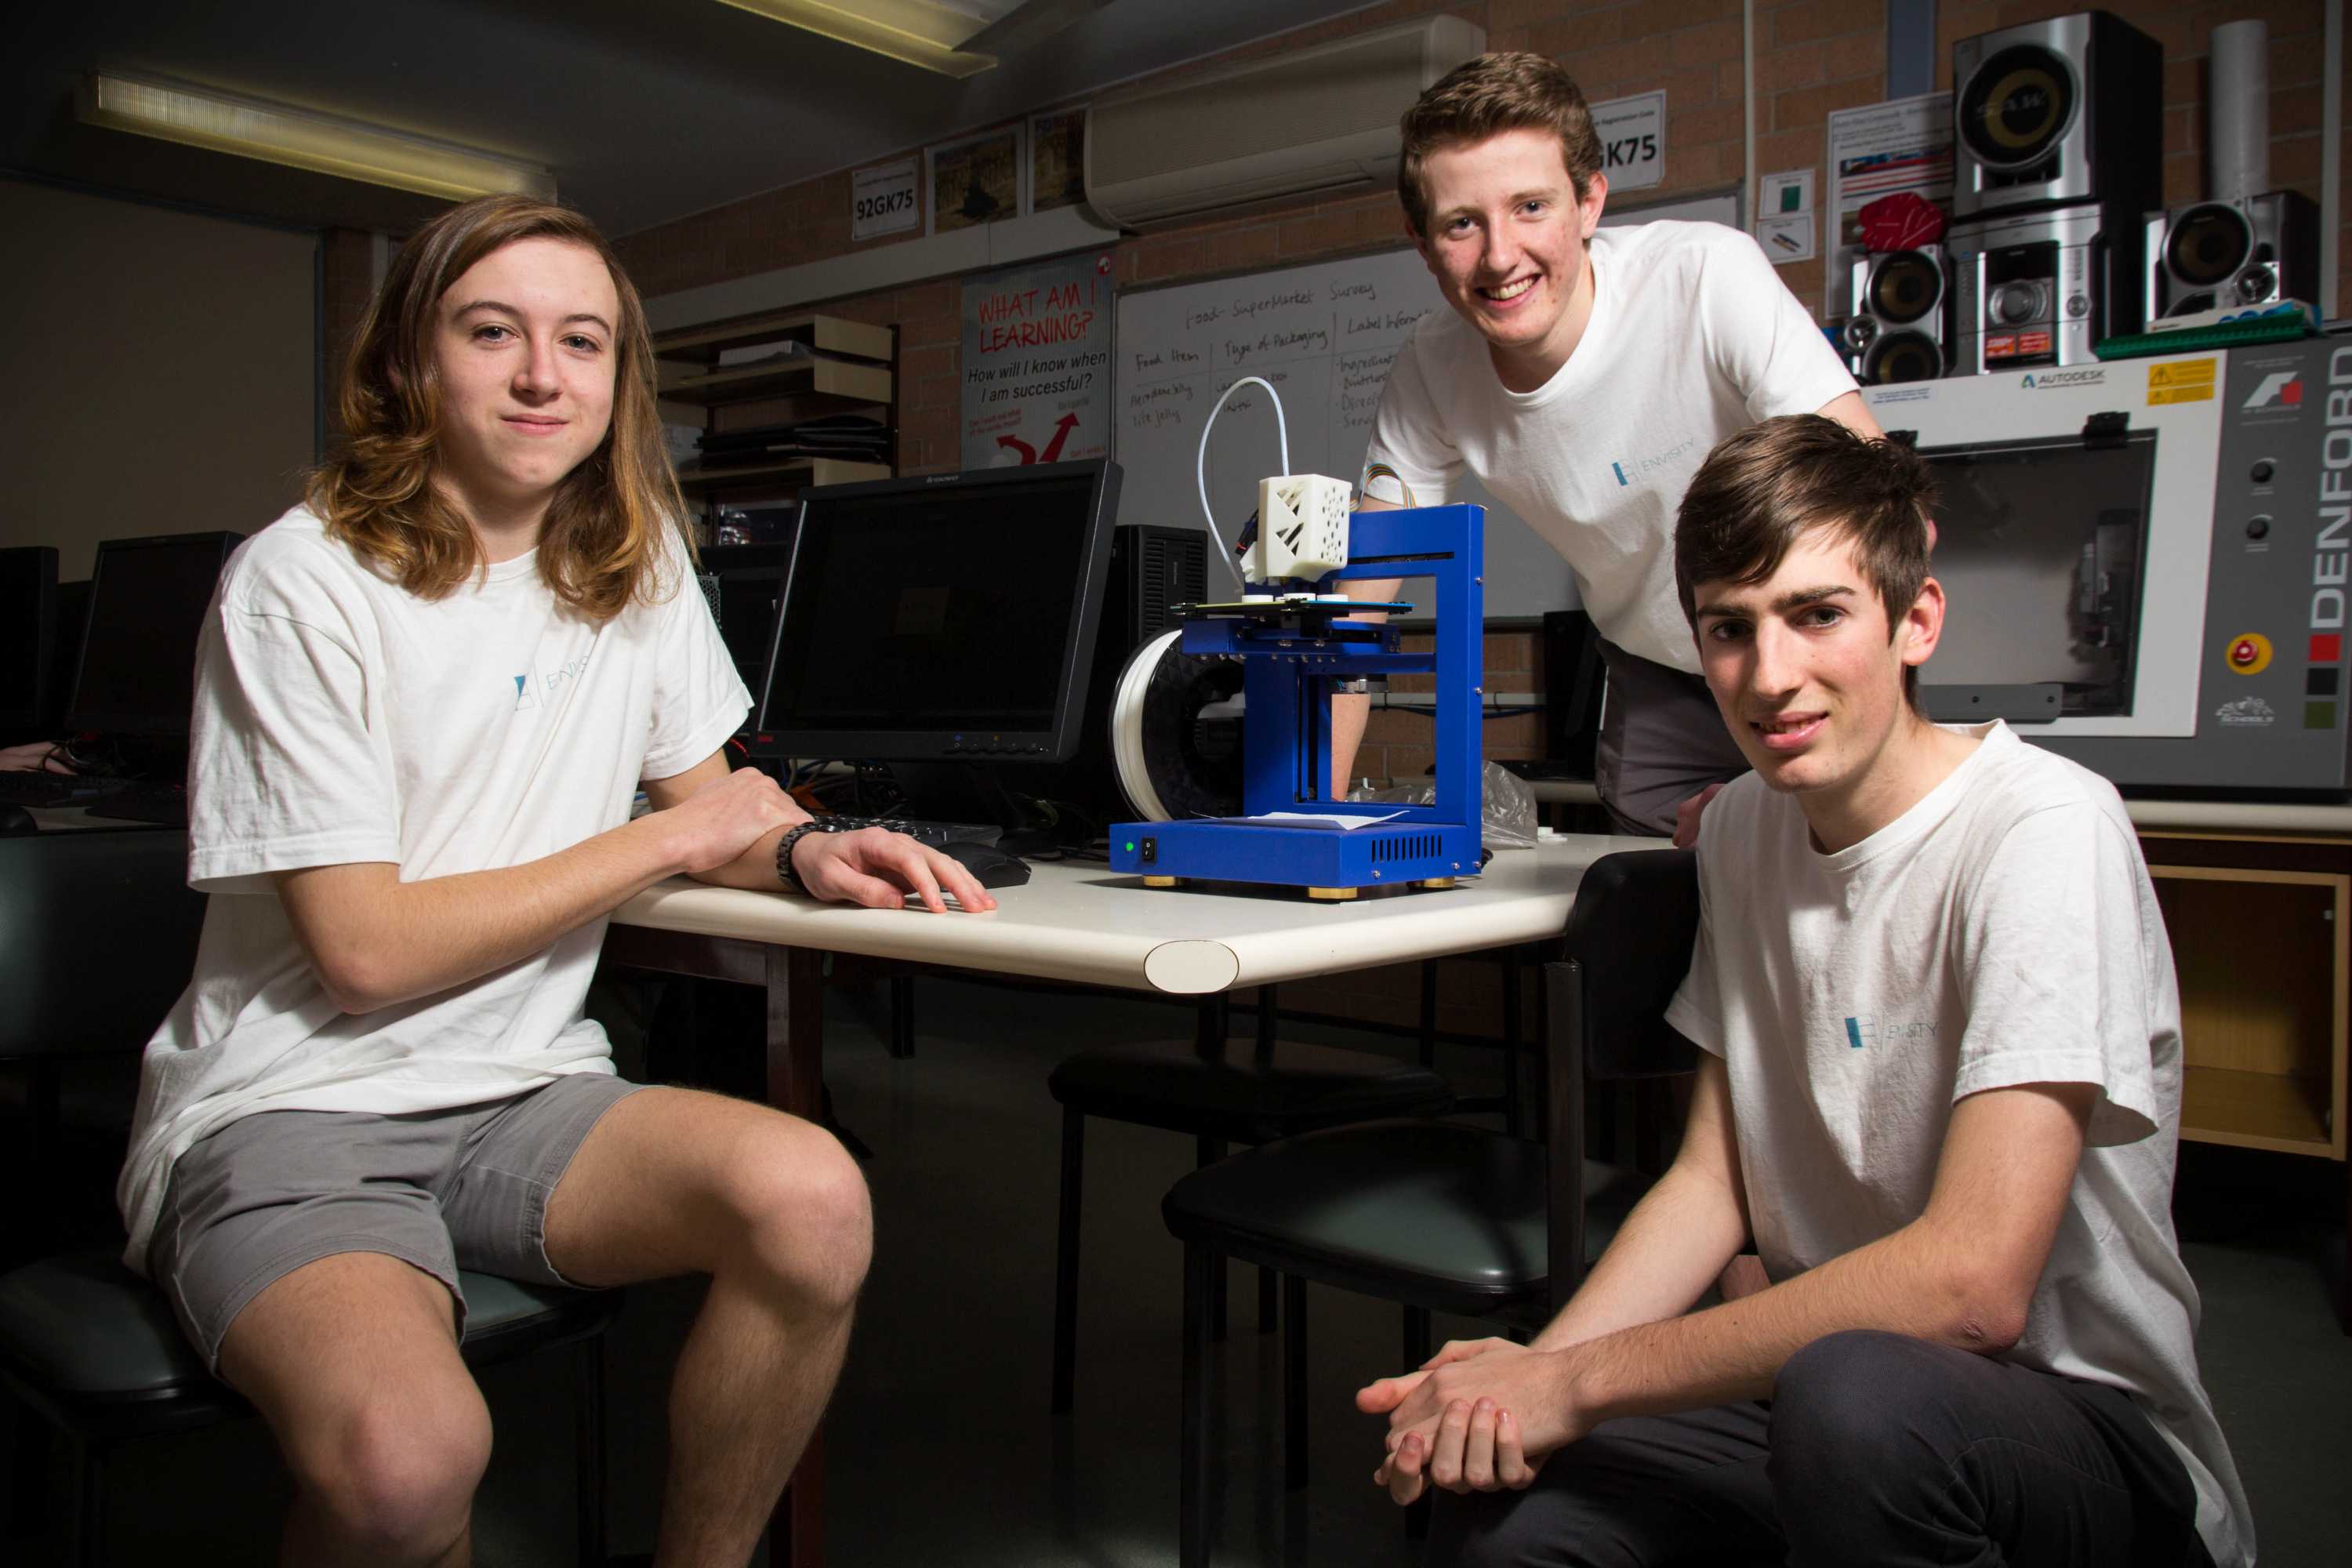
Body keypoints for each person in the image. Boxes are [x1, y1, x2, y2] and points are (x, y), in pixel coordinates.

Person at [115, 194, 996, 1568]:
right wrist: (663, 842)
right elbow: (363, 953)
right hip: (292, 1109)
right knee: (411, 1468)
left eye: (582, 342)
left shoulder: (632, 567)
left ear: (616, 381)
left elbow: (715, 808)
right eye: (493, 331)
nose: (544, 374)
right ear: (413, 362)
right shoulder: (302, 583)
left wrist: (805, 850)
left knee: (812, 1198)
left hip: (524, 1094)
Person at [1357, 415, 2249, 1567]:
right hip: (1819, 1393)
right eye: (1730, 630)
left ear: (1915, 619)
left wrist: (1578, 1382)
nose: (1770, 677)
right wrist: (1528, 1387)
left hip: (2072, 1428)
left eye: (1818, 614)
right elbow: (1712, 1180)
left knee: (1860, 1400)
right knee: (1504, 1517)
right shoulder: (1740, 828)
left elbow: (1975, 1287)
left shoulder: (2042, 827)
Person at [1338, 52, 1882, 837]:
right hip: (1655, 666)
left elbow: (1875, 505)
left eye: (1531, 206)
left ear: (1590, 201)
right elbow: (1348, 629)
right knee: (1650, 920)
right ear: (1423, 245)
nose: (1500, 256)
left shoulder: (1703, 278)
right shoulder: (1431, 371)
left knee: (1830, 903)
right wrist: (1307, 835)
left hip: (1803, 651)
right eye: (1463, 223)